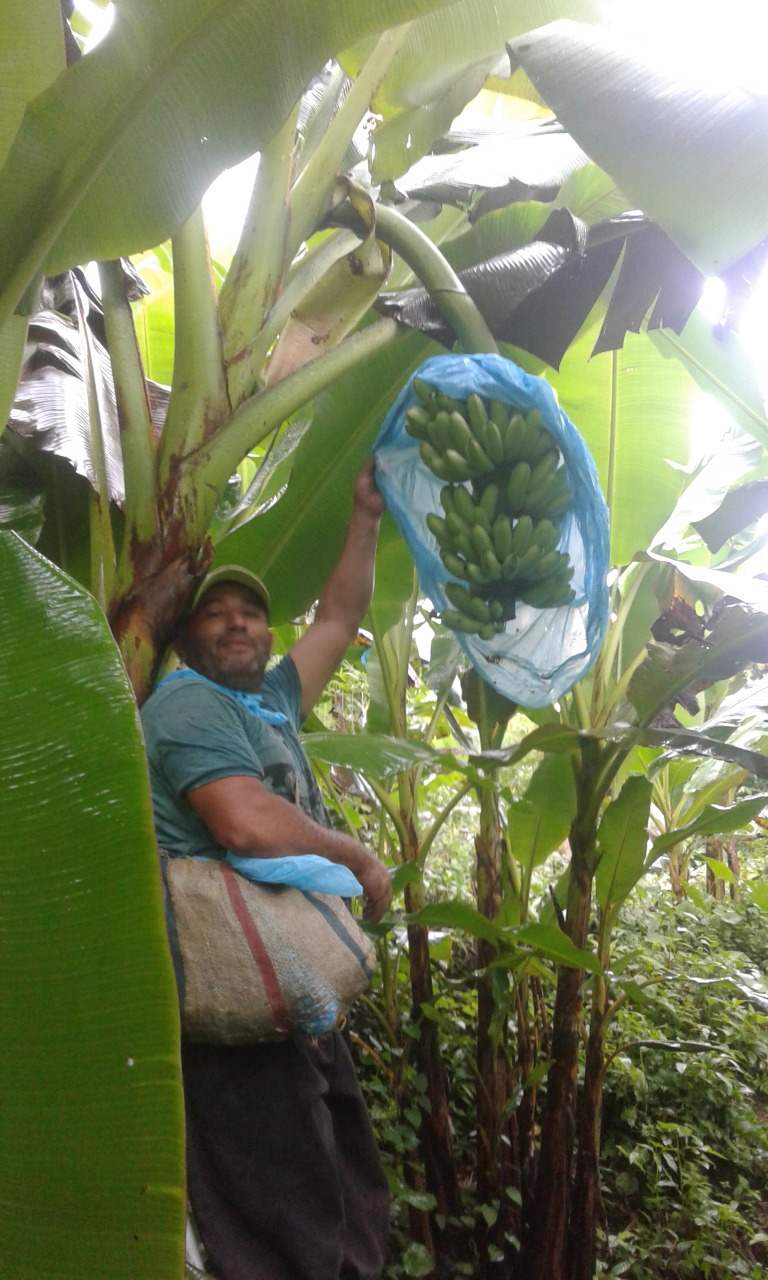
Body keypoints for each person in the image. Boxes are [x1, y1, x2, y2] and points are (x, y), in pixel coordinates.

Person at [140, 460, 392, 1280]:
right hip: (231, 991)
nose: (238, 624)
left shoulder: (272, 702)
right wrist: (350, 851)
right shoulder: (186, 704)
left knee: (346, 1185)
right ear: (185, 638)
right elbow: (244, 823)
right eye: (216, 615)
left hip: (291, 984)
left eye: (251, 612)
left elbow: (345, 612)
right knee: (282, 1219)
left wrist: (364, 513)